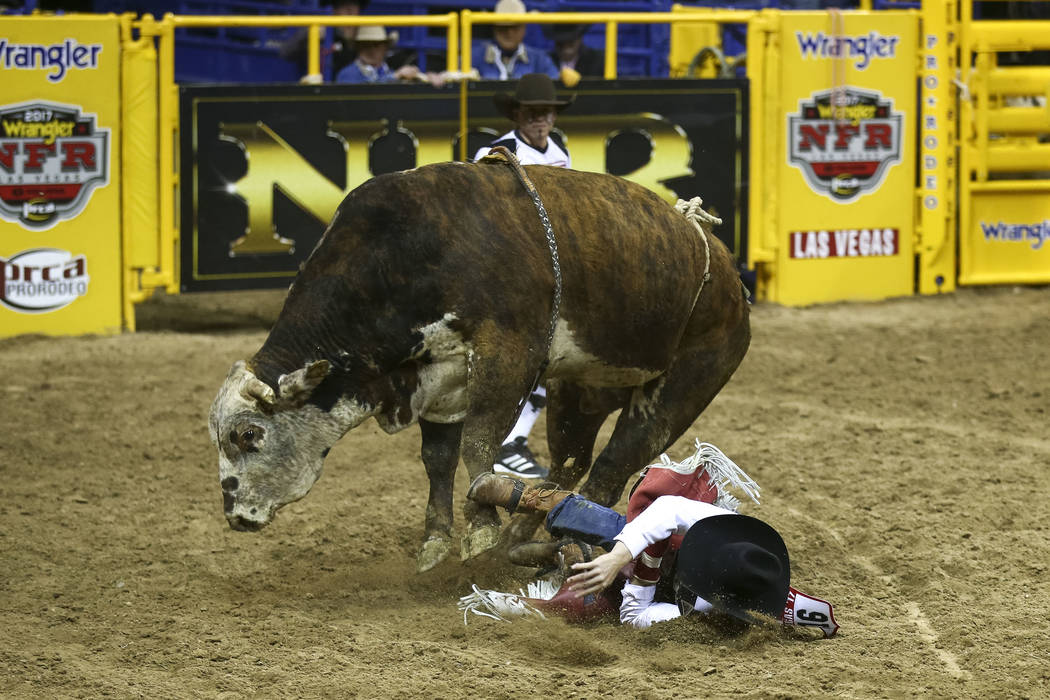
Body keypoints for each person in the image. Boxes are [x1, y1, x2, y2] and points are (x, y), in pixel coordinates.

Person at [461, 440, 839, 637]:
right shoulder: (725, 529)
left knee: (593, 606)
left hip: (658, 588)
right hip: (673, 544)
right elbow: (667, 509)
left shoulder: (701, 610)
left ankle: (570, 553)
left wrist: (645, 565)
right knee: (635, 528)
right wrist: (621, 556)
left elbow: (634, 616)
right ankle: (543, 503)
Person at [473, 73, 574, 478]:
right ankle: (506, 441)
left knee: (548, 356)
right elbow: (483, 211)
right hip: (509, 268)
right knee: (529, 355)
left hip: (547, 270)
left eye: (545, 112)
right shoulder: (498, 153)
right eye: (532, 112)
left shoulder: (559, 152)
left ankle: (509, 440)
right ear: (517, 114)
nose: (540, 119)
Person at [473, 0, 559, 81]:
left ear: (524, 28)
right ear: (495, 29)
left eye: (515, 27)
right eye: (503, 27)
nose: (509, 33)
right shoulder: (475, 57)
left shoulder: (539, 60)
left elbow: (555, 83)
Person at [334, 26, 432, 85]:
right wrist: (396, 76)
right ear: (358, 47)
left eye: (376, 45)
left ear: (385, 48)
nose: (371, 50)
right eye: (366, 45)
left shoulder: (390, 72)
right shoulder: (347, 74)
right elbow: (366, 93)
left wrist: (428, 80)